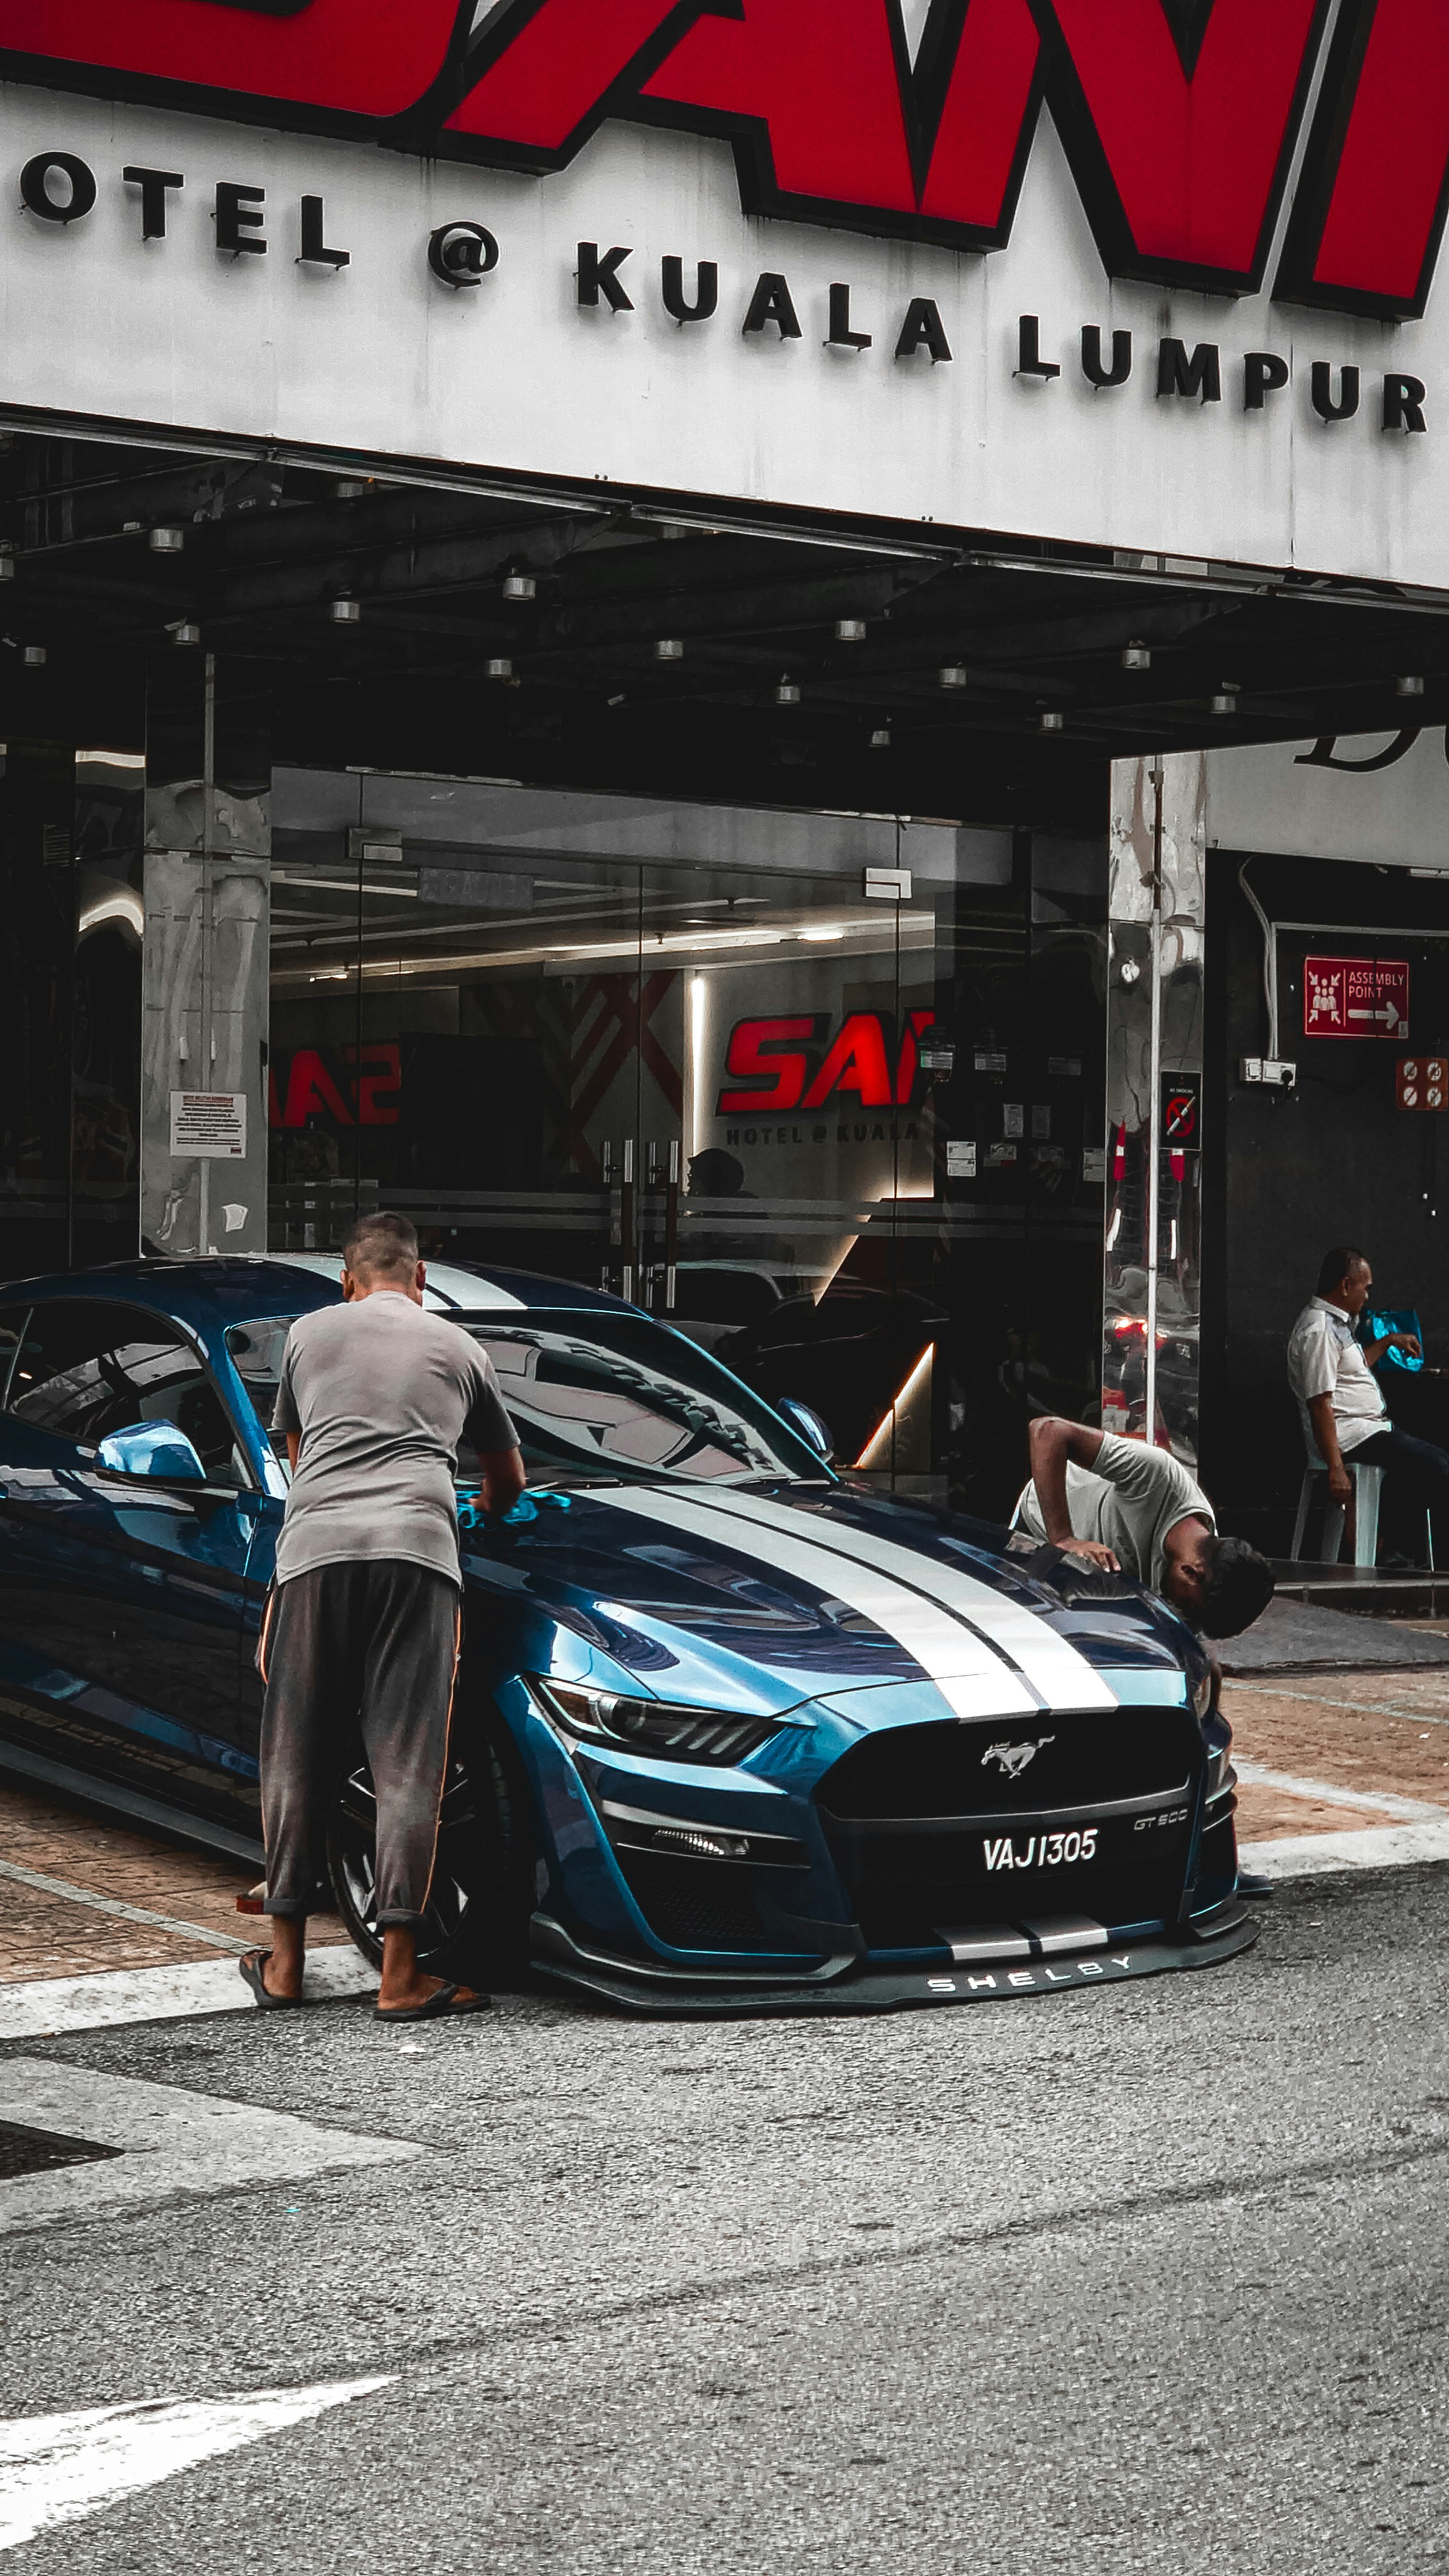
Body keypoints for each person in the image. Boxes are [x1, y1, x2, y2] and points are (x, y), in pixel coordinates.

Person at [242, 1210, 525, 2022]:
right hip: (415, 1551)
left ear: (348, 1279)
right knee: (408, 1761)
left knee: (294, 1752)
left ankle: (287, 1964)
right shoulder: (461, 1348)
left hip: (316, 1553)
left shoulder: (307, 1333)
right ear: (421, 1280)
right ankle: (400, 1975)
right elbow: (507, 1480)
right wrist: (474, 1501)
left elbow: (298, 1455)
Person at [1013, 1416, 1276, 1639]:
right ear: (1191, 1573)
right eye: (1186, 1606)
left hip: (1090, 1583)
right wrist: (1064, 1539)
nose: (1181, 1611)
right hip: (1037, 1530)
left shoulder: (1204, 1577)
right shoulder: (1157, 1476)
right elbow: (1047, 1431)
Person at [1287, 1246, 1449, 1556]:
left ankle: (1383, 1546)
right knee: (1436, 1467)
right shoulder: (1318, 1331)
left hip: (1368, 1429)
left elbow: (1353, 1368)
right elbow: (1320, 1404)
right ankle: (1387, 1549)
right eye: (1366, 1287)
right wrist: (1336, 1468)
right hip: (1351, 1435)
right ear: (1346, 1285)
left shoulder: (1338, 1325)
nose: (1367, 1297)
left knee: (1430, 1464)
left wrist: (1388, 1342)